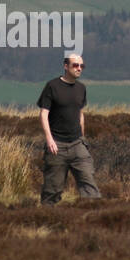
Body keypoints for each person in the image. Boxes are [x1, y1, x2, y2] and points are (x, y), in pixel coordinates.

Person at [37, 52, 100, 205]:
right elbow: (43, 114)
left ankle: (93, 219)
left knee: (90, 186)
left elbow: (80, 114)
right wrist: (49, 140)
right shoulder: (52, 86)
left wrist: (82, 138)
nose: (79, 68)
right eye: (75, 65)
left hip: (77, 144)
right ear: (66, 66)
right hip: (57, 146)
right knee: (53, 190)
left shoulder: (81, 88)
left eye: (81, 66)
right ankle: (46, 221)